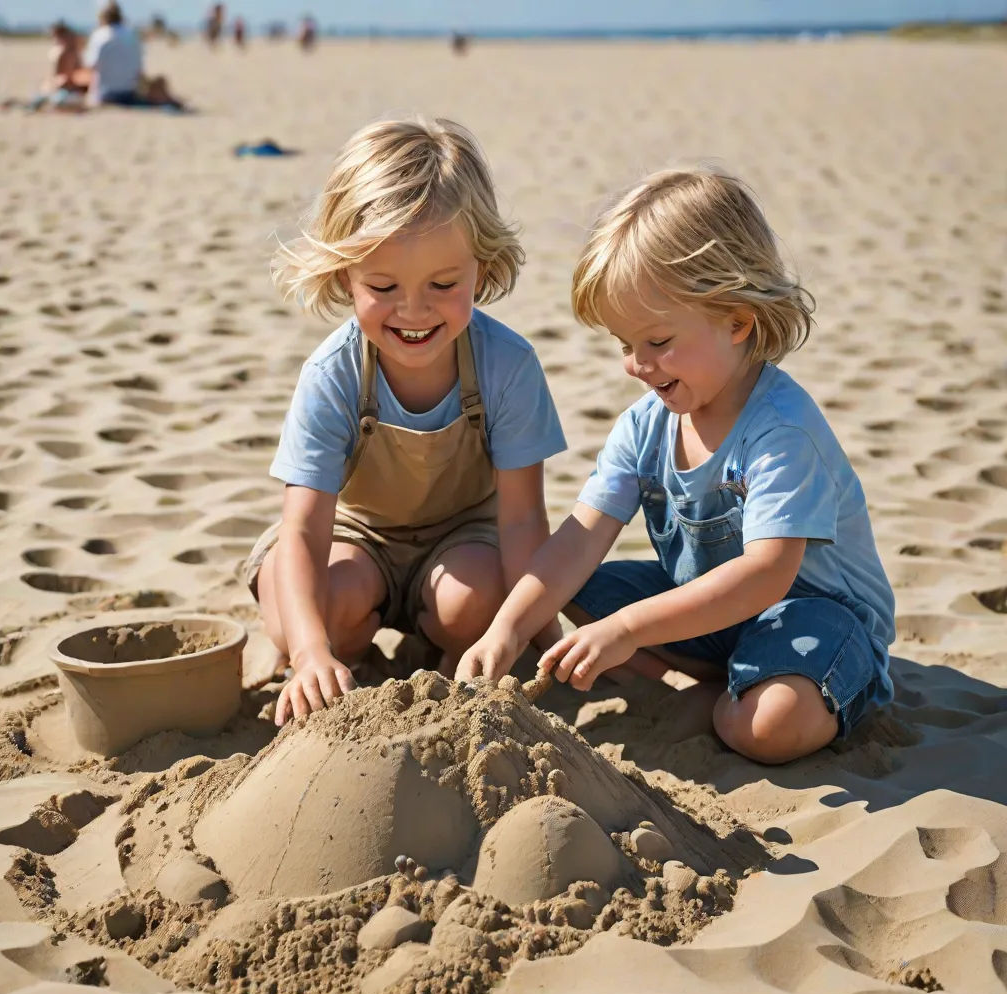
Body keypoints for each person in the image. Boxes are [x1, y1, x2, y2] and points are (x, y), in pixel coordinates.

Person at [457, 168, 896, 765]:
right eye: (623, 344)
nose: (637, 365)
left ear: (737, 320)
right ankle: (717, 682)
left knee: (772, 727)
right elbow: (579, 539)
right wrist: (505, 629)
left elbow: (767, 576)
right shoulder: (645, 425)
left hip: (815, 621)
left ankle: (726, 699)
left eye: (658, 341)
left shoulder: (781, 432)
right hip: (710, 613)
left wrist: (630, 630)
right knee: (573, 587)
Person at [243, 117, 567, 726]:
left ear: (482, 266)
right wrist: (309, 653)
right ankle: (324, 650)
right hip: (353, 536)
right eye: (384, 285)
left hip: (462, 538)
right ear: (346, 274)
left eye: (444, 284)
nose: (413, 310)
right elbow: (305, 528)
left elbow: (523, 517)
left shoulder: (507, 366)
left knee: (477, 609)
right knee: (315, 619)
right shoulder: (334, 373)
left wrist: (540, 635)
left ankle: (436, 648)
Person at [83, 3, 142, 105]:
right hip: (129, 93)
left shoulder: (99, 35)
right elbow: (139, 69)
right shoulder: (132, 35)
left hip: (104, 94)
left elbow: (90, 65)